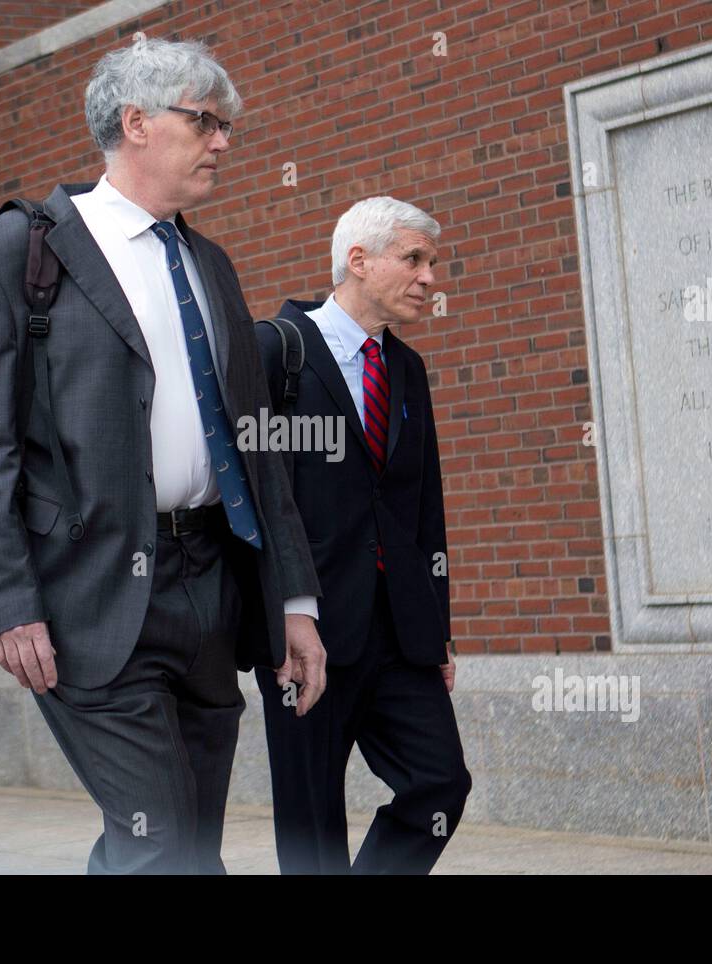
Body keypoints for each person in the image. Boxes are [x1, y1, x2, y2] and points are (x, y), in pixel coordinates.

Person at [0, 37, 326, 874]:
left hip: (212, 586)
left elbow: (259, 449)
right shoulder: (11, 254)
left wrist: (294, 599)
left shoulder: (210, 264)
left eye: (227, 126)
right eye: (205, 122)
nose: (223, 142)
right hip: (91, 596)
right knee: (163, 846)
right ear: (136, 122)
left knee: (180, 845)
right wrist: (7, 603)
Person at [255, 196, 471, 874]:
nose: (429, 277)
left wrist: (436, 628)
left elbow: (424, 509)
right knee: (312, 818)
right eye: (413, 259)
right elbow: (257, 497)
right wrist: (287, 609)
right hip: (309, 626)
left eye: (432, 263)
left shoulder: (407, 369)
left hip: (400, 631)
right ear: (358, 260)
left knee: (440, 783)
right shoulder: (276, 351)